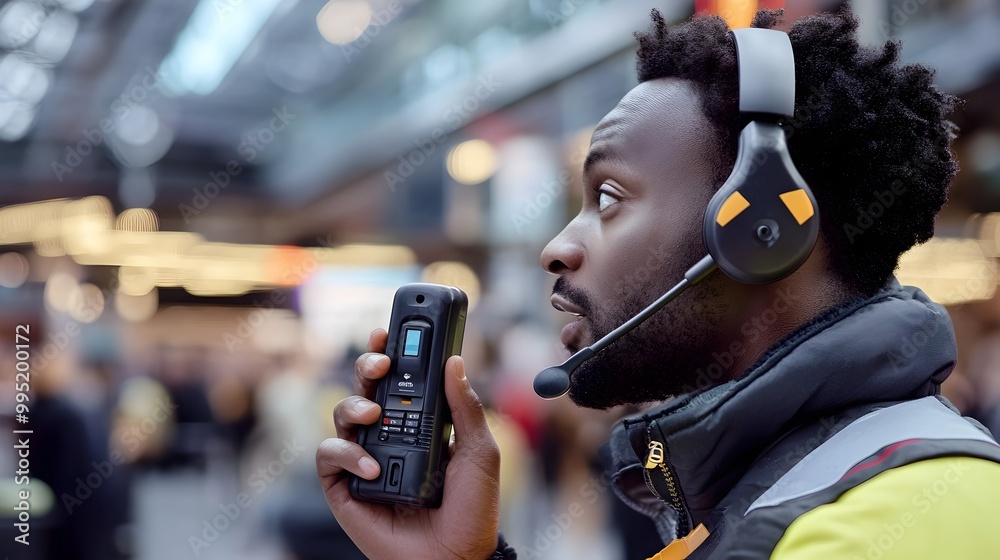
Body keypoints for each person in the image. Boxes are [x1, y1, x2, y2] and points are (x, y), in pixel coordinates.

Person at [317, 8, 1000, 559]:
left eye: (608, 197)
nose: (557, 249)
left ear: (761, 229)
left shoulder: (892, 522)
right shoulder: (778, 489)